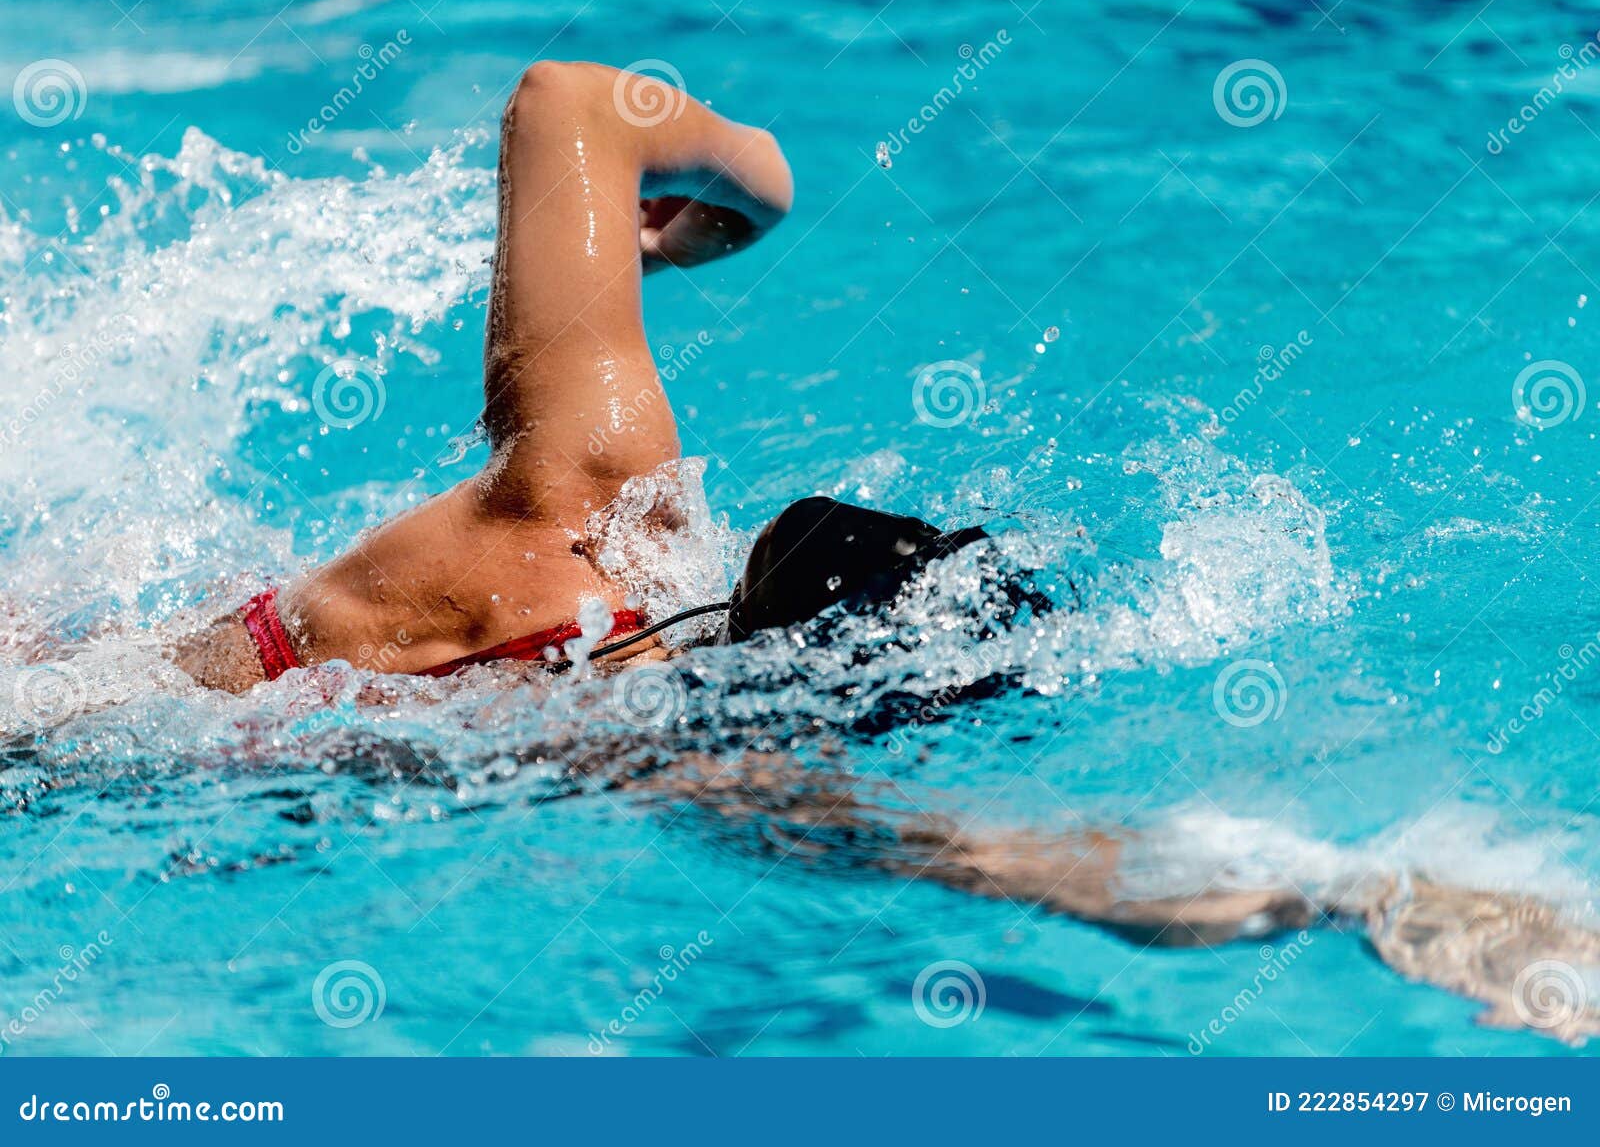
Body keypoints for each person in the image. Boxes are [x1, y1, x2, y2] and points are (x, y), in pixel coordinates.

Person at [160, 60, 1594, 1044]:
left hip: (96, 713)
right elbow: (1039, 864)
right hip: (187, 808)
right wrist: (1365, 892)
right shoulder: (670, 757)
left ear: (774, 539)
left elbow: (567, 97)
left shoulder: (592, 484)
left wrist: (738, 204)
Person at [174, 60, 794, 692]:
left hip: (150, 700)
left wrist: (735, 217)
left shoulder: (603, 491)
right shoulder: (648, 713)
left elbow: (572, 101)